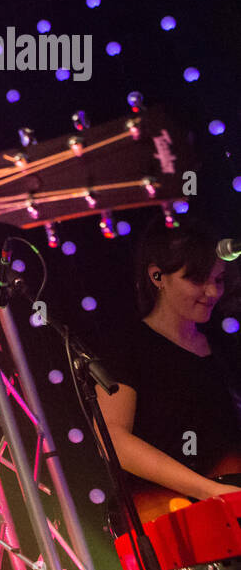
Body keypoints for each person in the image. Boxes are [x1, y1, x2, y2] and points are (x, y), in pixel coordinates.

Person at [97, 216, 241, 505]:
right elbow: (112, 438)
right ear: (157, 277)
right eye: (198, 279)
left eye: (218, 280)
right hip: (172, 512)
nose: (212, 292)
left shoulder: (223, 345)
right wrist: (208, 490)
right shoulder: (127, 345)